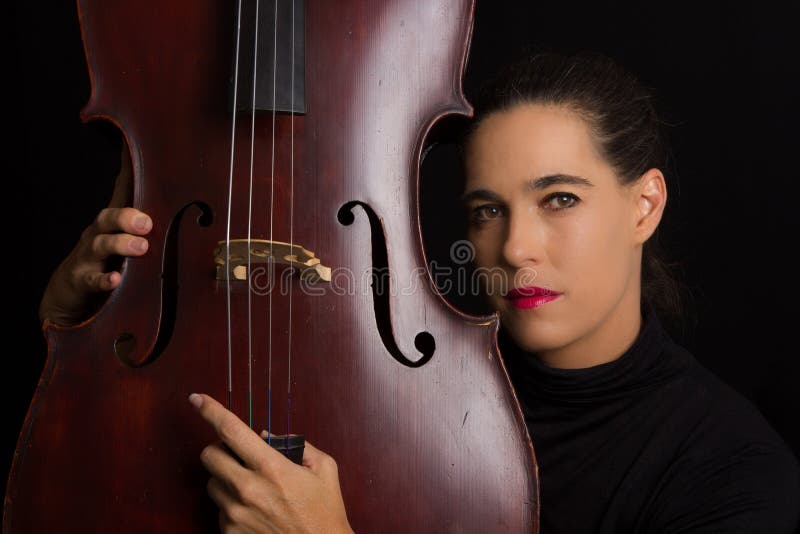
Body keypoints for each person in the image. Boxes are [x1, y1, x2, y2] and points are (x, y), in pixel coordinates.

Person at [37, 49, 800, 532]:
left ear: (645, 205)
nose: (515, 248)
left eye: (559, 199)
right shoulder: (385, 391)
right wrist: (76, 338)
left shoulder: (730, 469)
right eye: (486, 210)